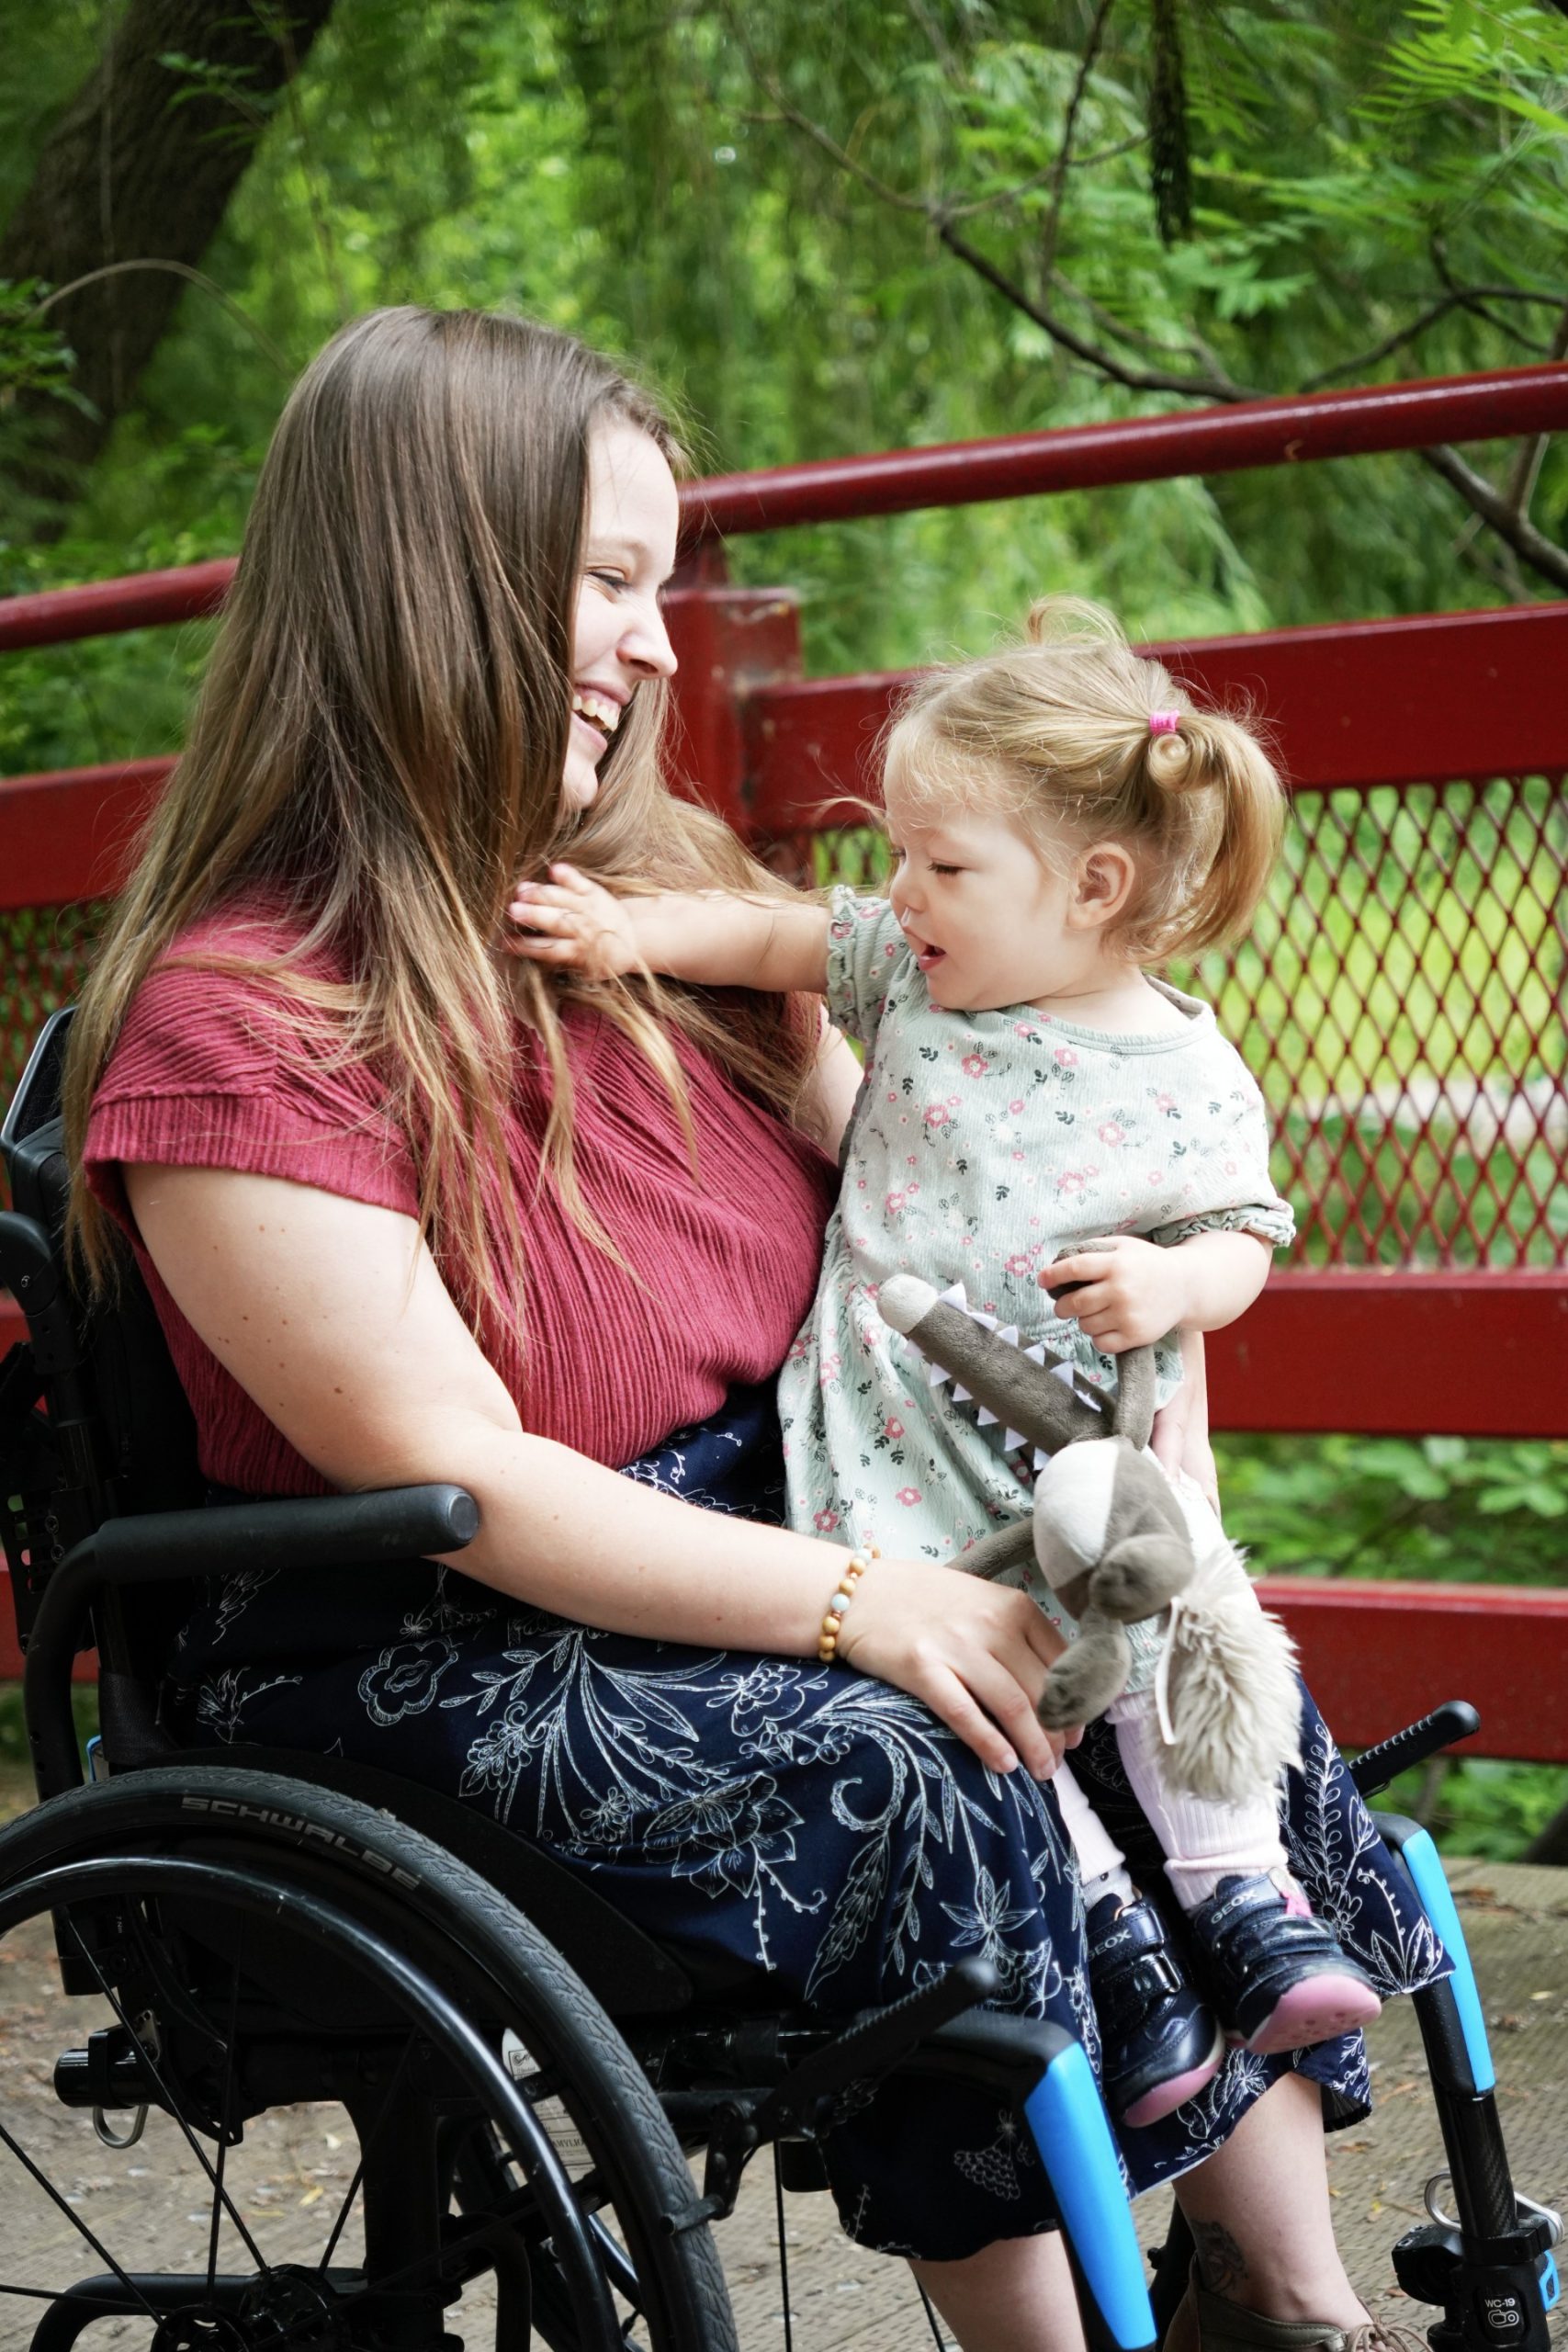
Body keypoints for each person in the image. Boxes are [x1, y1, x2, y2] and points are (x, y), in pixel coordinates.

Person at [65, 306, 1439, 2352]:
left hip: (782, 1523)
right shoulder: (243, 1019)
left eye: (657, 585)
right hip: (434, 1631)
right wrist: (858, 1599)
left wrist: (1126, 1429)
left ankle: (1290, 2295)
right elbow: (463, 1472)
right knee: (928, 1742)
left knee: (1157, 1632)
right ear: (431, 579)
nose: (650, 643)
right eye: (605, 580)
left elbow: (950, 1212)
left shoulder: (667, 914)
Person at [506, 598, 1382, 2134]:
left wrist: (1174, 1279)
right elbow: (778, 934)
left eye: (945, 866)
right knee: (992, 1696)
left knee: (1174, 1639)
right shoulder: (907, 975)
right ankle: (1109, 1926)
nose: (899, 890)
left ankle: (1243, 1898)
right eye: (901, 854)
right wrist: (632, 932)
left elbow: (1246, 1234)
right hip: (900, 1429)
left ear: (1097, 886)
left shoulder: (1187, 1067)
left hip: (1088, 1444)